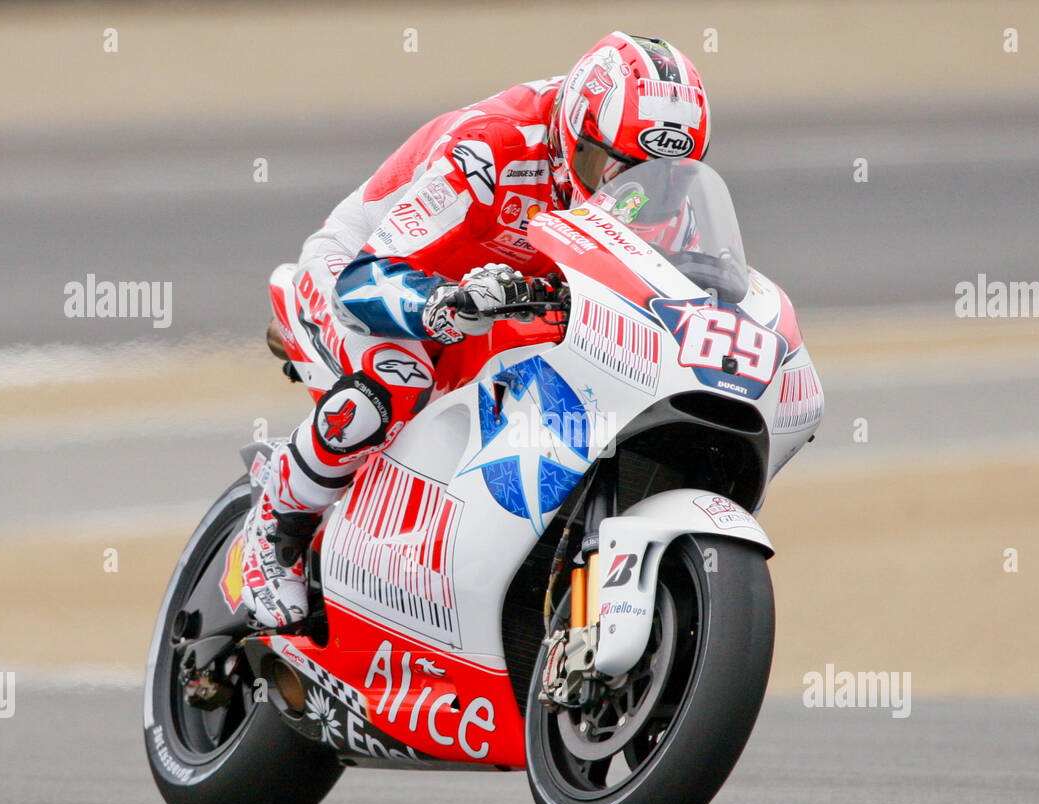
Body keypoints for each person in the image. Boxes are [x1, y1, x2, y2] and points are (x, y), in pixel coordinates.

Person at [241, 32, 712, 627]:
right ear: (574, 134)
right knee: (399, 379)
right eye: (612, 168)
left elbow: (678, 301)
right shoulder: (492, 151)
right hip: (373, 268)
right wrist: (442, 303)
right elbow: (361, 282)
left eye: (665, 178)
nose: (632, 194)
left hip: (506, 303)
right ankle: (276, 528)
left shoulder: (662, 206)